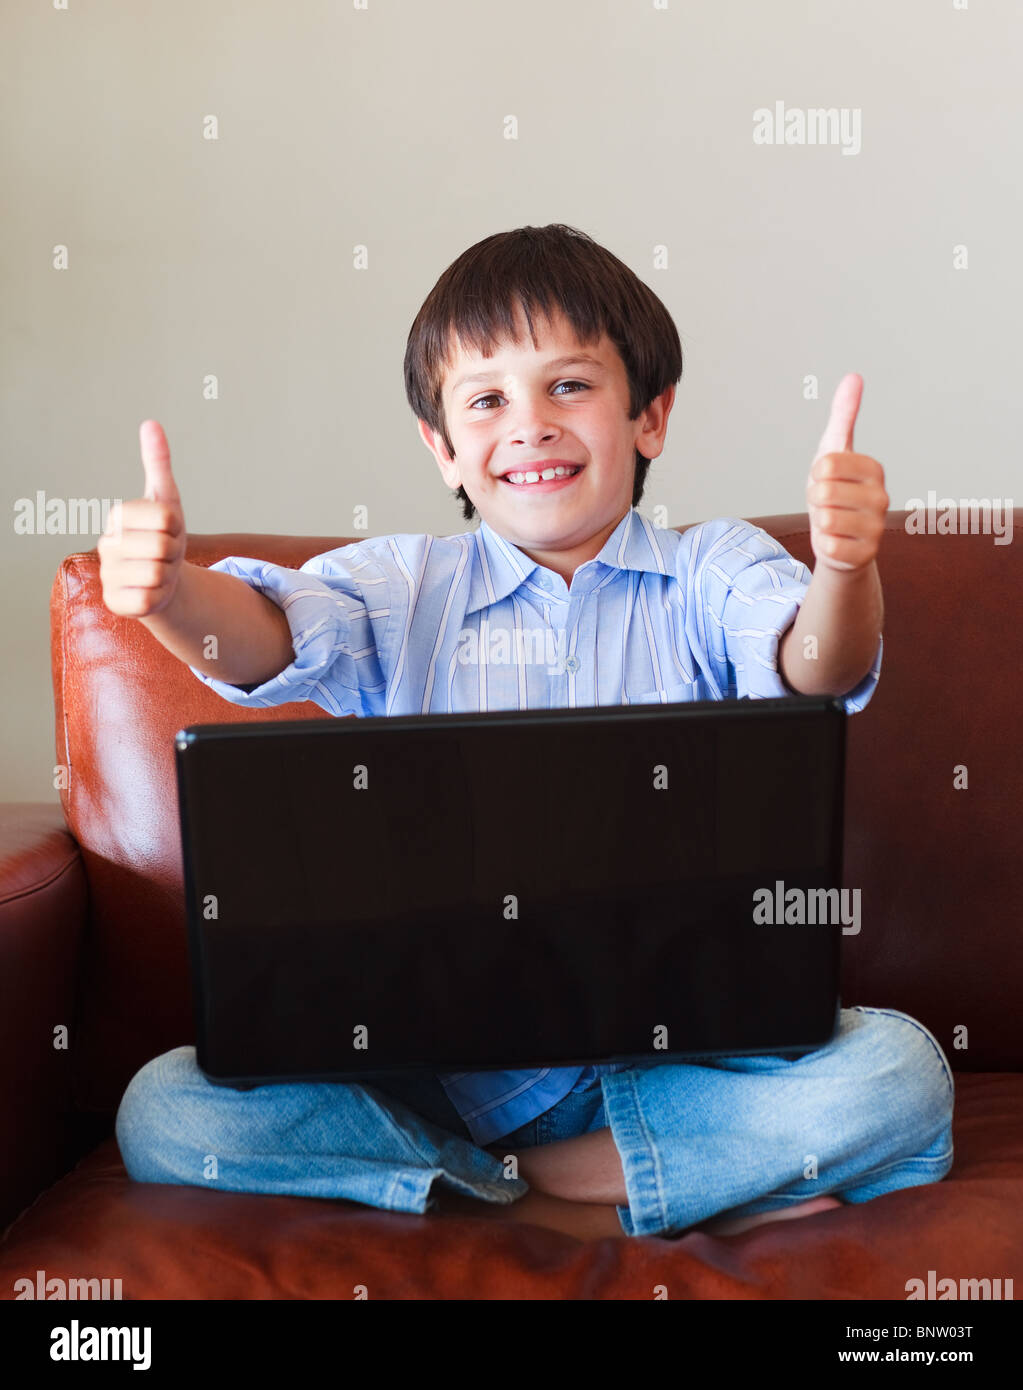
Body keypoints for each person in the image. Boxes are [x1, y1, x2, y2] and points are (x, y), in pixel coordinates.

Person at [106, 224, 953, 1240]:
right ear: (444, 447)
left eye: (570, 387)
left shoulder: (711, 569)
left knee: (901, 1074)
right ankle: (602, 1193)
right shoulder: (403, 584)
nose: (531, 425)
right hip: (440, 1068)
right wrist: (167, 596)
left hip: (681, 1061)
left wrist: (845, 571)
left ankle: (508, 1190)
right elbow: (266, 638)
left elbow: (818, 665)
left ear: (650, 415)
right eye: (489, 400)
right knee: (166, 1106)